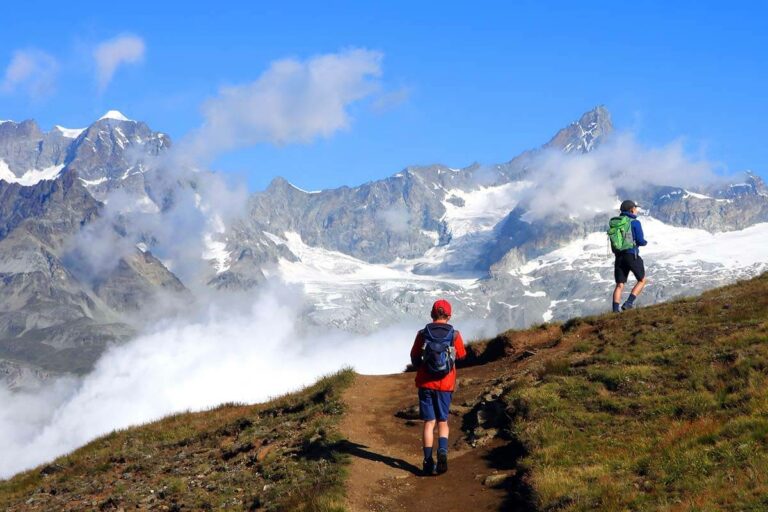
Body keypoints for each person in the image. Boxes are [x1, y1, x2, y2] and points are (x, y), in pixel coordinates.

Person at [409, 299, 467, 476]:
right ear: (449, 315)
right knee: (443, 421)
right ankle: (442, 450)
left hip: (426, 383)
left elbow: (414, 355)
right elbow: (462, 355)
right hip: (445, 384)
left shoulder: (423, 333)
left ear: (431, 314)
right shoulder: (454, 334)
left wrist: (423, 367)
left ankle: (427, 461)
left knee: (429, 422)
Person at [610, 200, 648, 312]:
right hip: (631, 254)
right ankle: (629, 303)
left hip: (619, 256)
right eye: (636, 208)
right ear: (631, 210)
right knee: (642, 280)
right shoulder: (635, 222)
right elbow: (640, 240)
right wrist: (644, 242)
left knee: (619, 285)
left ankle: (615, 311)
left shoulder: (617, 223)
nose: (637, 210)